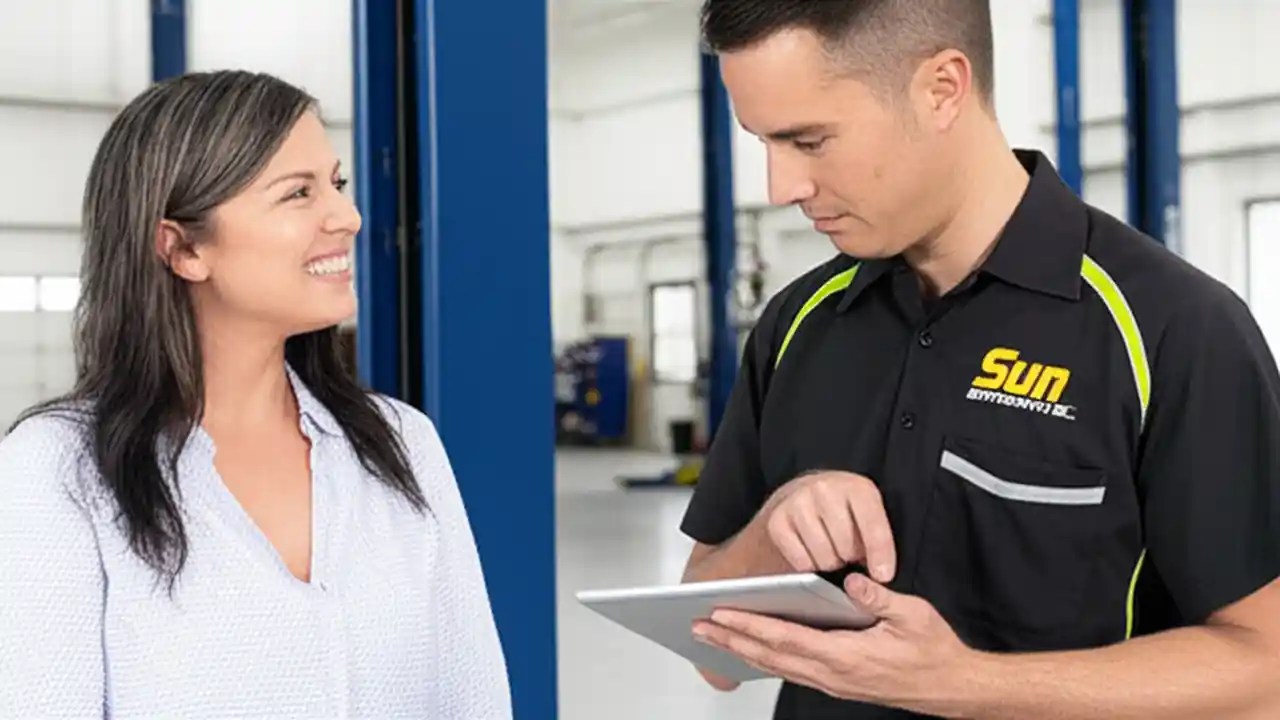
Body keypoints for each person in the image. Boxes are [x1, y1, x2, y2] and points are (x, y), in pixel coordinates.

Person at [679, 1, 1280, 718]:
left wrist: (963, 684)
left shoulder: (1173, 332)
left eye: (810, 141)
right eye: (763, 144)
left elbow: (1265, 663)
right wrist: (776, 526)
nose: (783, 188)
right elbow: (709, 653)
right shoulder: (798, 323)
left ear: (942, 88)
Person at [0, 70, 511, 719]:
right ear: (181, 247)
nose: (348, 217)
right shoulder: (57, 468)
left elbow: (475, 699)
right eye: (298, 193)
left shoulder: (402, 442)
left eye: (337, 184)